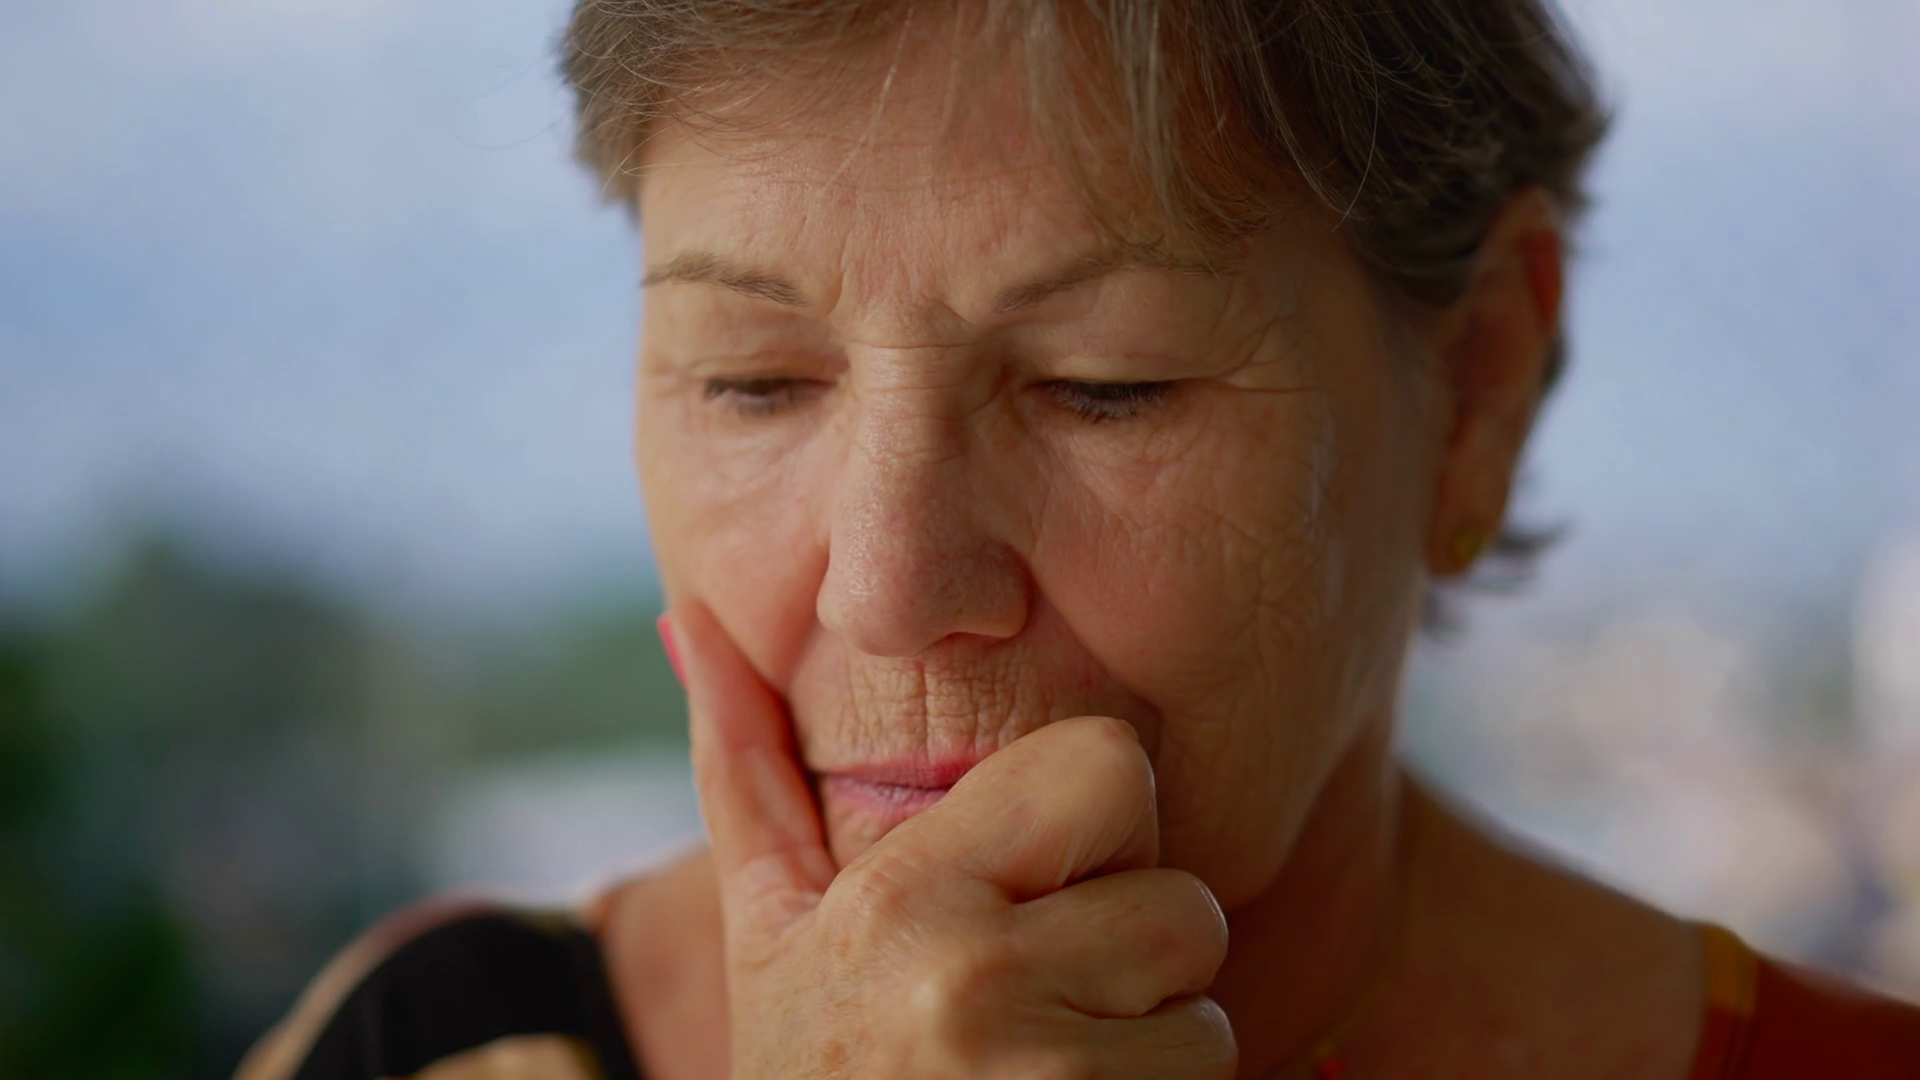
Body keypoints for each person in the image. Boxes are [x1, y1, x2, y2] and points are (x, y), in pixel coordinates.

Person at [239, 1, 1920, 1077]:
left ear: (1472, 390)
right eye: (751, 381)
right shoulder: (435, 1041)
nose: (889, 589)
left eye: (1102, 388)